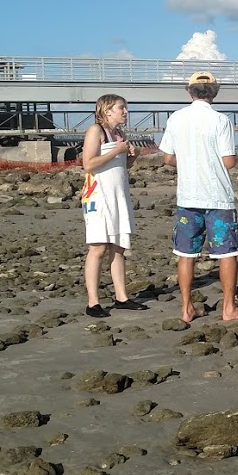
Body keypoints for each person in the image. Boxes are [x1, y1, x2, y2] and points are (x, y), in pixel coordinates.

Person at [158, 71, 238, 322]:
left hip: (187, 196)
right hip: (217, 196)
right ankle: (228, 308)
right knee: (226, 253)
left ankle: (187, 308)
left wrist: (190, 161)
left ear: (189, 91)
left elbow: (168, 158)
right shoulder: (220, 120)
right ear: (214, 91)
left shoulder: (176, 119)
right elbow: (229, 161)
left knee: (186, 254)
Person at [81, 94, 145, 318]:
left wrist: (131, 158)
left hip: (118, 194)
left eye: (125, 108)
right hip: (98, 195)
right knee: (98, 248)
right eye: (121, 108)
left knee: (119, 247)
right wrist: (117, 151)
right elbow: (88, 164)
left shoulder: (119, 134)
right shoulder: (95, 131)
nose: (125, 112)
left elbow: (120, 167)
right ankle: (93, 302)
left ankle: (122, 297)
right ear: (107, 110)